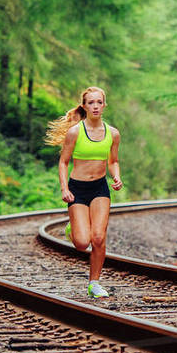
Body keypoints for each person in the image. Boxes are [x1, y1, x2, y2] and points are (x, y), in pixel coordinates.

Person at [45, 86, 123, 298]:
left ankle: (94, 283)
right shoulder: (75, 132)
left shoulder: (113, 133)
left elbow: (113, 161)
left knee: (98, 237)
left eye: (99, 102)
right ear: (84, 106)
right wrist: (64, 188)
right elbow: (63, 162)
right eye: (91, 103)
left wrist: (116, 176)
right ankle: (73, 228)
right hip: (77, 189)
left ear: (104, 105)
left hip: (99, 188)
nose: (96, 106)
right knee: (82, 243)